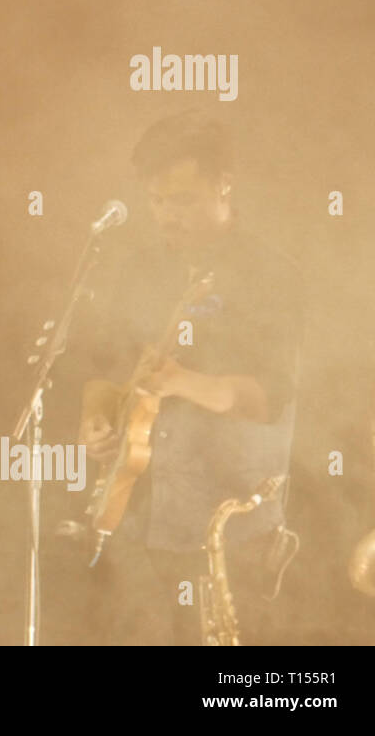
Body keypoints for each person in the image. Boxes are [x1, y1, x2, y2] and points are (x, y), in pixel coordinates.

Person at [74, 112, 303, 645]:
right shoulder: (137, 269)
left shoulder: (271, 272)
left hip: (230, 520)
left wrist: (186, 382)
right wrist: (96, 421)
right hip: (139, 513)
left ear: (224, 183)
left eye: (182, 200)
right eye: (156, 201)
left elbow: (271, 398)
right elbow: (105, 369)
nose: (167, 215)